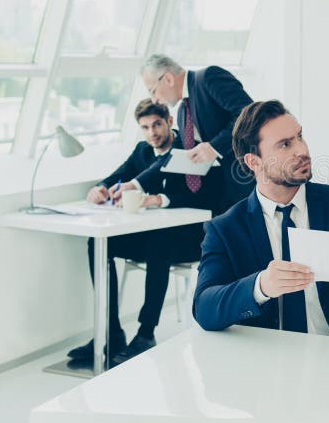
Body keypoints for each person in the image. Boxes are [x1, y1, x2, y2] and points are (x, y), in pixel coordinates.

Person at [193, 100, 329, 342]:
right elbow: (204, 307)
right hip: (271, 361)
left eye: (299, 137)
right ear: (254, 162)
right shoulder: (225, 229)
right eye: (285, 145)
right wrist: (260, 286)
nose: (302, 150)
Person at [67, 99, 217, 365]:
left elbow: (203, 195)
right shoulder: (142, 151)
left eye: (157, 124)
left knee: (160, 244)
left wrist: (160, 199)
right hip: (153, 235)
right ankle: (110, 331)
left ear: (170, 122)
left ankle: (146, 333)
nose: (152, 133)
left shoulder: (189, 149)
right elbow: (120, 175)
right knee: (100, 244)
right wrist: (100, 188)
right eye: (145, 127)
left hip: (190, 239)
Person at [123, 54, 254, 213]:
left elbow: (249, 114)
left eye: (153, 91)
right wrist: (135, 184)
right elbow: (172, 157)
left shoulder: (208, 78)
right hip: (227, 194)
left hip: (250, 180)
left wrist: (214, 147)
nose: (154, 100)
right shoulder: (182, 113)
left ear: (168, 79)